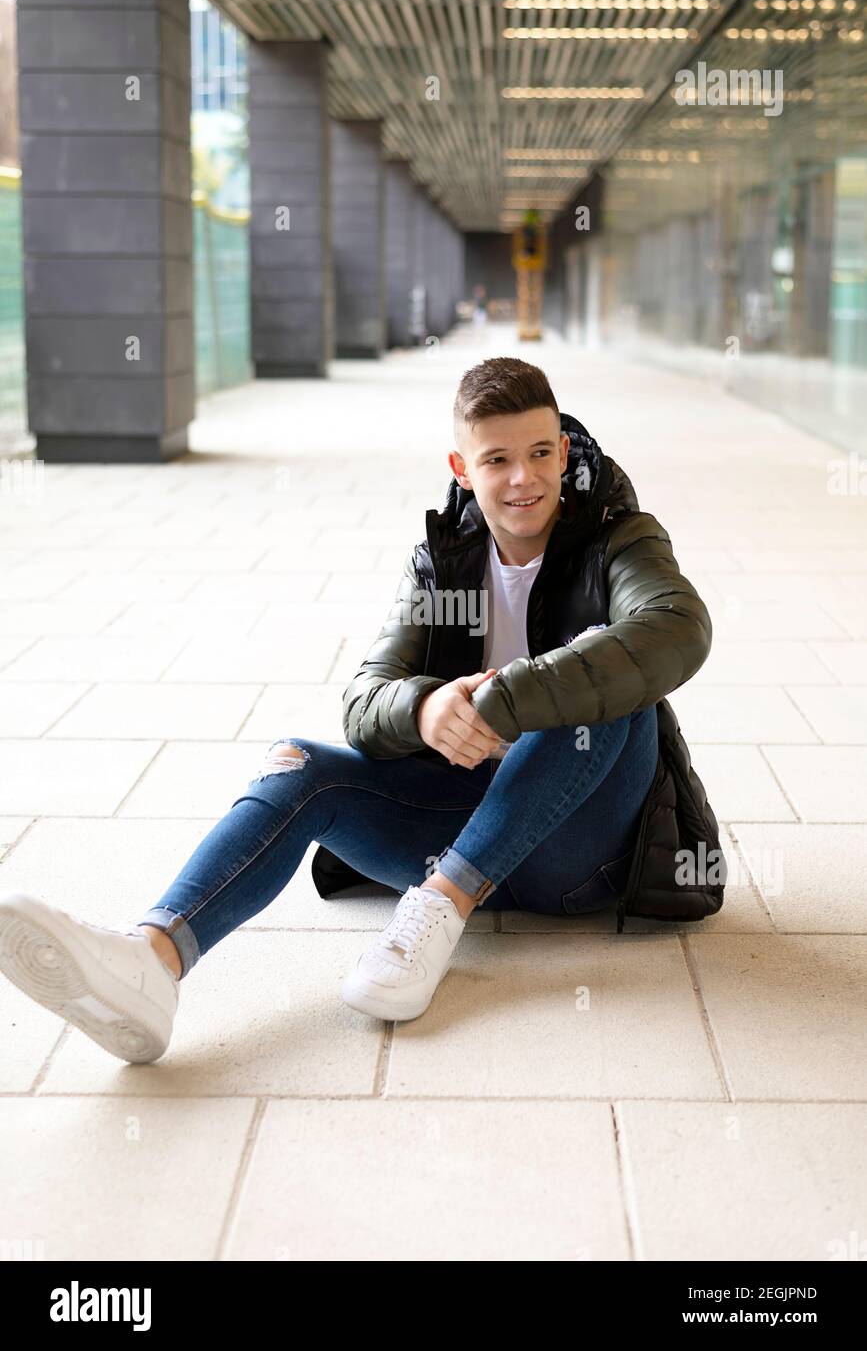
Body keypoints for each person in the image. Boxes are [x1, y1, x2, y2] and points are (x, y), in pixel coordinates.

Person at [0, 357, 712, 1064]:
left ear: (561, 451)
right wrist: (424, 706)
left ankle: (435, 913)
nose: (522, 478)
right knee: (300, 766)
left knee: (611, 683)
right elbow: (365, 701)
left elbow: (677, 628)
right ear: (462, 468)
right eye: (496, 459)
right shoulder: (439, 561)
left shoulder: (617, 535)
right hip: (457, 823)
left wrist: (503, 701)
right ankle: (150, 963)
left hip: (575, 852)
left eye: (537, 453)